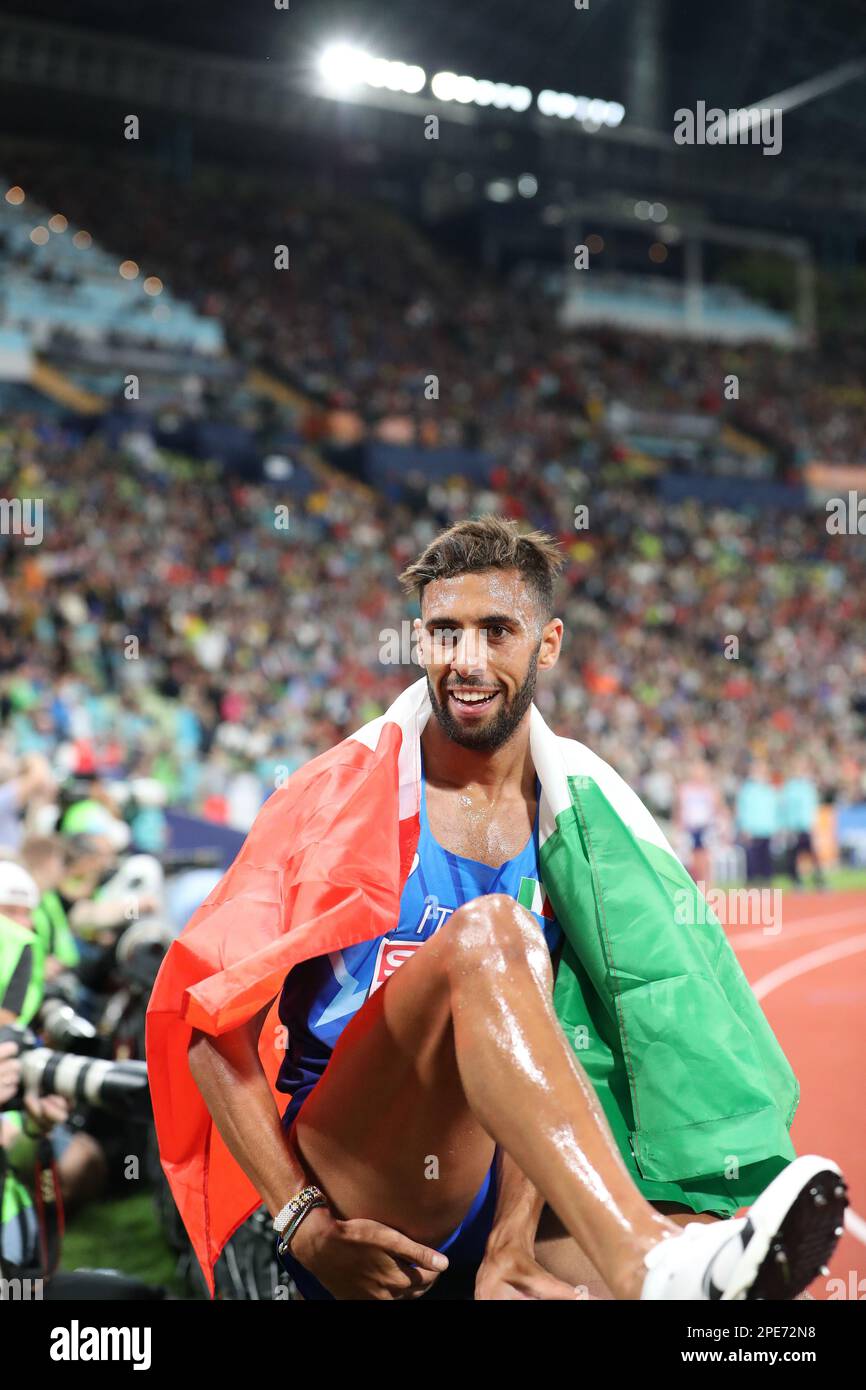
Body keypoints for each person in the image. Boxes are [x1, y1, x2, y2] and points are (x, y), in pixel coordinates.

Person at [153, 517, 846, 1301]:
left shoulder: (581, 823)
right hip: (366, 1175)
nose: (467, 661)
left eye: (496, 631)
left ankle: (629, 1260)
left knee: (739, 1293)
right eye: (444, 632)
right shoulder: (335, 799)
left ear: (546, 645)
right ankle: (642, 1258)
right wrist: (303, 1225)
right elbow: (208, 1026)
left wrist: (513, 1245)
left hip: (500, 1182)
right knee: (491, 937)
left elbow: (558, 1047)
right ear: (419, 641)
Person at [675, 759, 723, 887]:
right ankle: (695, 885)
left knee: (705, 858)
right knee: (691, 859)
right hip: (689, 828)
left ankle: (707, 886)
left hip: (706, 828)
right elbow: (679, 810)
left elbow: (718, 809)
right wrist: (678, 828)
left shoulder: (710, 790)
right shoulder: (684, 789)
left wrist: (720, 828)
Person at [779, 758, 826, 889]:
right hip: (793, 827)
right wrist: (785, 826)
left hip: (806, 826)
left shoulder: (808, 786)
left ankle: (819, 880)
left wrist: (813, 824)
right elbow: (784, 807)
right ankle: (796, 881)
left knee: (812, 854)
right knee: (793, 855)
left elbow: (812, 807)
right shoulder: (789, 787)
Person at [736, 760, 778, 885]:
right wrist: (744, 827)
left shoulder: (769, 789)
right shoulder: (747, 790)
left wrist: (775, 827)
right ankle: (752, 883)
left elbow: (774, 809)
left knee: (766, 858)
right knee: (752, 858)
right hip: (752, 829)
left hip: (767, 828)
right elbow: (742, 809)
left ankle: (766, 882)